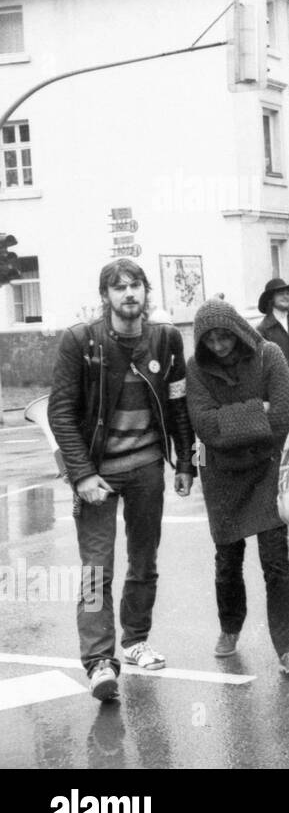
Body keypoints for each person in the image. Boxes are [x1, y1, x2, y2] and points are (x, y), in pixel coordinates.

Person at [47, 259, 196, 702]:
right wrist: (83, 474)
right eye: (119, 288)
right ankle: (98, 663)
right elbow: (61, 412)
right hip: (98, 475)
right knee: (96, 570)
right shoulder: (81, 341)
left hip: (147, 468)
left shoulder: (167, 339)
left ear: (146, 292)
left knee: (144, 560)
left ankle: (134, 641)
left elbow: (179, 406)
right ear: (105, 296)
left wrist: (185, 462)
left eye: (135, 286)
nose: (128, 294)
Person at [187, 296, 289, 676]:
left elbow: (284, 415)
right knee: (227, 562)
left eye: (224, 337)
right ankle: (229, 627)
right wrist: (258, 411)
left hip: (266, 470)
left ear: (237, 329)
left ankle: (288, 648)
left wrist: (232, 419)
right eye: (210, 341)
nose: (219, 346)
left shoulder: (269, 355)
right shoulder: (197, 369)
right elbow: (205, 426)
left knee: (276, 563)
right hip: (221, 477)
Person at [255, 277, 289, 372]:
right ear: (271, 299)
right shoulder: (263, 329)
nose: (286, 297)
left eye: (287, 293)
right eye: (281, 294)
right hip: (281, 382)